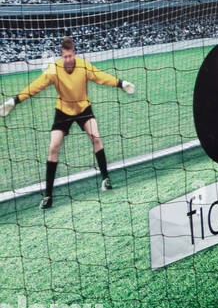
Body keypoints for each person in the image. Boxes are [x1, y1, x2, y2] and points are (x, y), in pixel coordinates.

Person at [1, 35, 136, 208]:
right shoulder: (54, 69)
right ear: (61, 56)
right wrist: (15, 100)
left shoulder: (83, 65)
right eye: (65, 56)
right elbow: (36, 86)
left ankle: (105, 179)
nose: (68, 60)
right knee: (53, 147)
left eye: (70, 56)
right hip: (63, 110)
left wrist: (120, 83)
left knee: (96, 137)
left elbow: (100, 77)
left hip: (83, 108)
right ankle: (48, 196)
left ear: (74, 54)